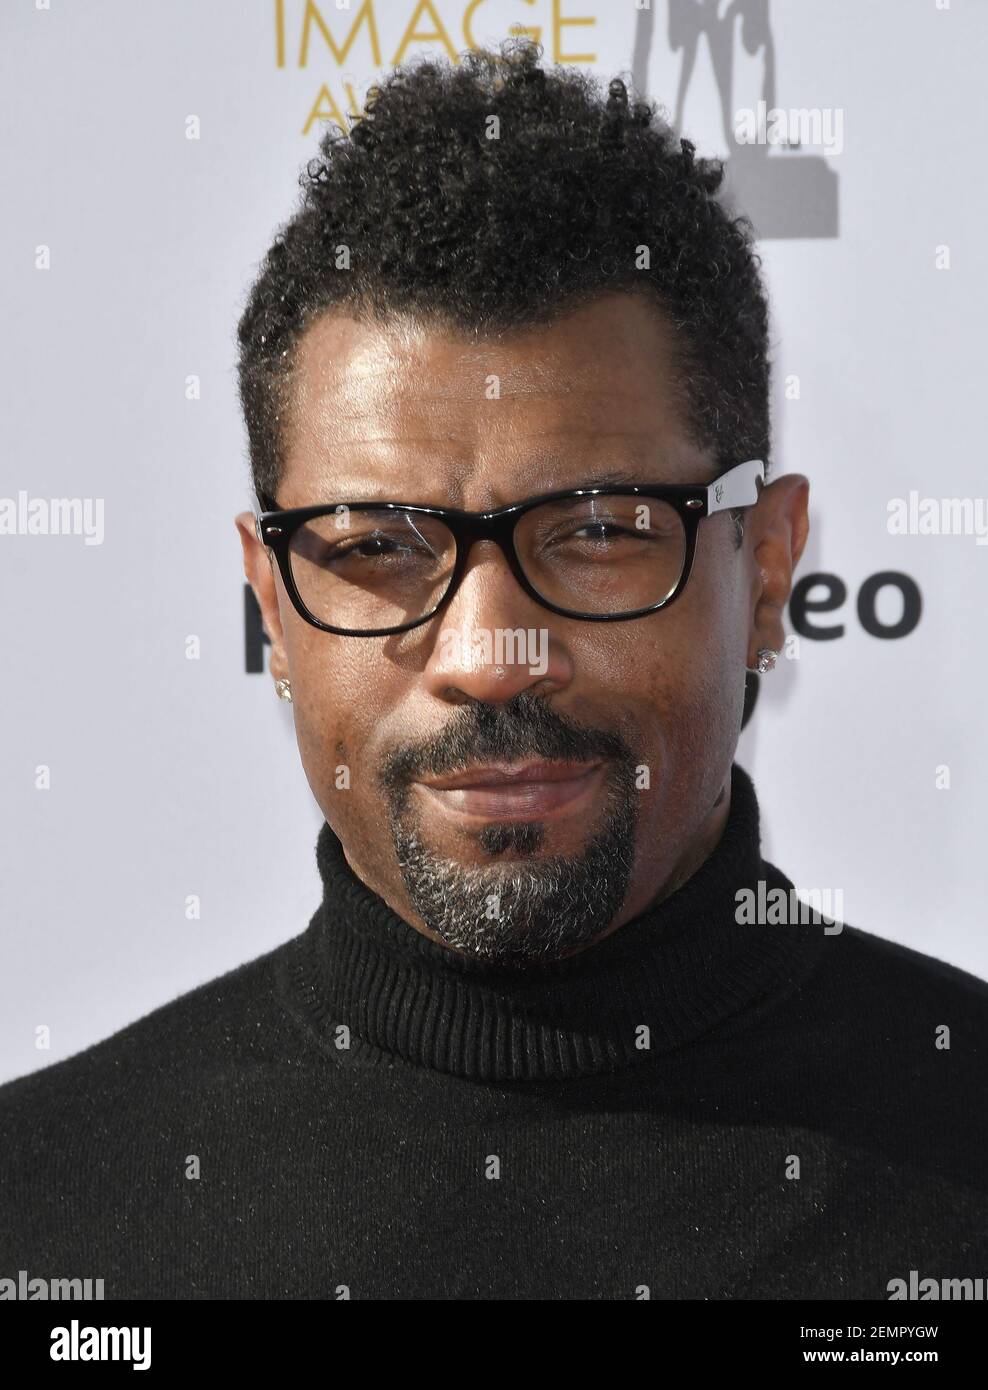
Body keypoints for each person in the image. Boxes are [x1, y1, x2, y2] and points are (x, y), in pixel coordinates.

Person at [2, 40, 985, 1301]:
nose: (486, 657)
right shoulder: (45, 1220)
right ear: (269, 601)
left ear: (773, 568)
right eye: (375, 547)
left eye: (595, 532)